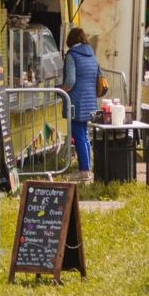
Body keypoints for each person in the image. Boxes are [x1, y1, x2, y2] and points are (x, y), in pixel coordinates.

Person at [62, 27, 100, 181]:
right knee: (84, 135)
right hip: (90, 100)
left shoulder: (72, 55)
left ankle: (84, 171)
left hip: (76, 101)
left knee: (79, 135)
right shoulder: (92, 54)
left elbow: (70, 82)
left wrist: (60, 91)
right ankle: (87, 168)